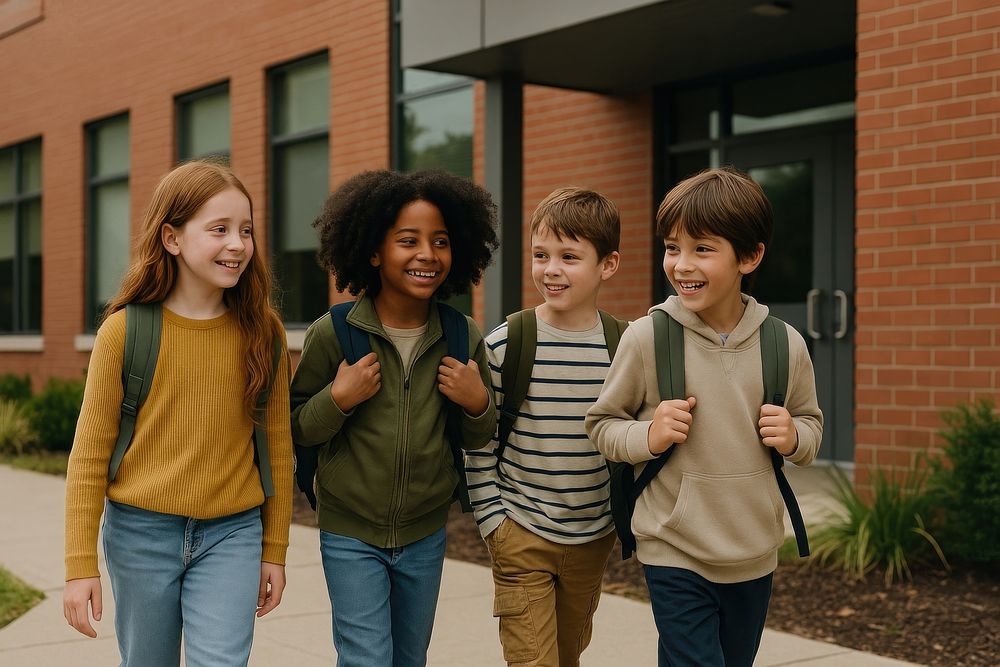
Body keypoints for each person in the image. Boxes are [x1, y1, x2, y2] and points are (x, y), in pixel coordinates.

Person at [585, 166, 824, 667]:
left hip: (753, 551)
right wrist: (648, 435)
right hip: (674, 546)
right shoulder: (647, 338)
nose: (681, 264)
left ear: (751, 256)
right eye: (673, 247)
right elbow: (603, 425)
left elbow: (811, 428)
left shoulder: (785, 344)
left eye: (703, 249)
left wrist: (792, 435)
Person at [63, 160, 293, 667]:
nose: (238, 244)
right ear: (172, 238)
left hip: (233, 532)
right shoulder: (124, 332)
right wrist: (80, 566)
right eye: (219, 230)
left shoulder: (264, 333)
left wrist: (274, 547)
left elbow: (278, 448)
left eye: (246, 231)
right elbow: (89, 457)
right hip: (140, 535)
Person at [290, 169, 499, 667]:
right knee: (366, 657)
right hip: (350, 530)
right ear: (374, 251)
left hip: (425, 530)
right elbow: (296, 426)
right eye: (408, 241)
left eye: (441, 241)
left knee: (409, 657)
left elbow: (479, 435)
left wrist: (477, 402)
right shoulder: (335, 332)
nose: (427, 254)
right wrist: (338, 398)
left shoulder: (460, 334)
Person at [465, 187, 622, 667]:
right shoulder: (506, 344)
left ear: (607, 265)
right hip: (522, 531)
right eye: (541, 255)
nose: (551, 269)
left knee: (567, 655)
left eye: (569, 257)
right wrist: (494, 522)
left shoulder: (626, 347)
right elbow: (480, 442)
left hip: (592, 536)